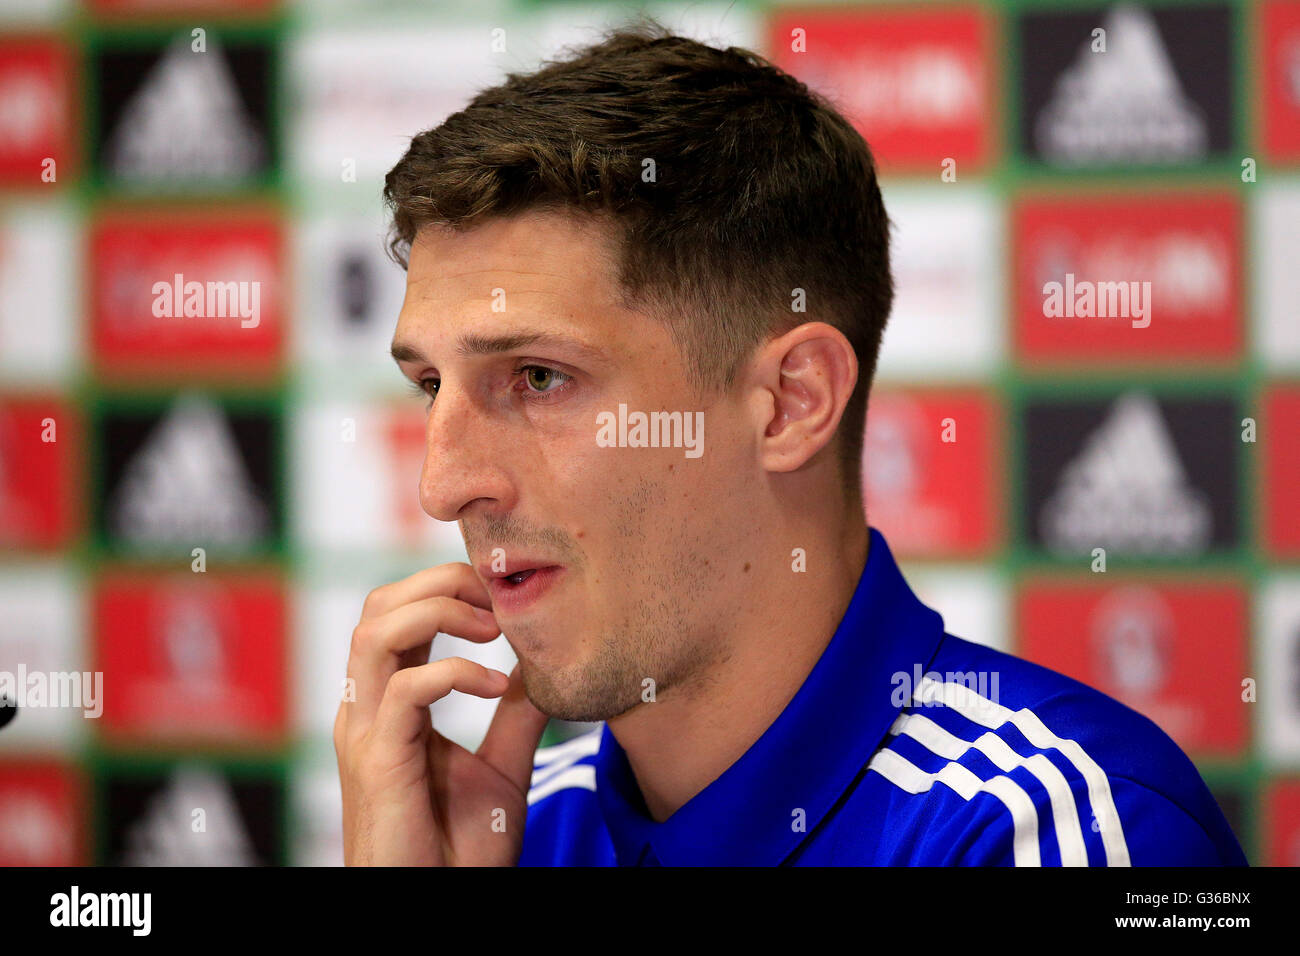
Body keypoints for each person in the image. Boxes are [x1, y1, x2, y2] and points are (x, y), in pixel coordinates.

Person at [333, 22, 1247, 866]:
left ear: (789, 405)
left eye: (537, 379)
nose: (442, 484)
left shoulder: (1059, 830)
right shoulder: (504, 831)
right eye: (429, 386)